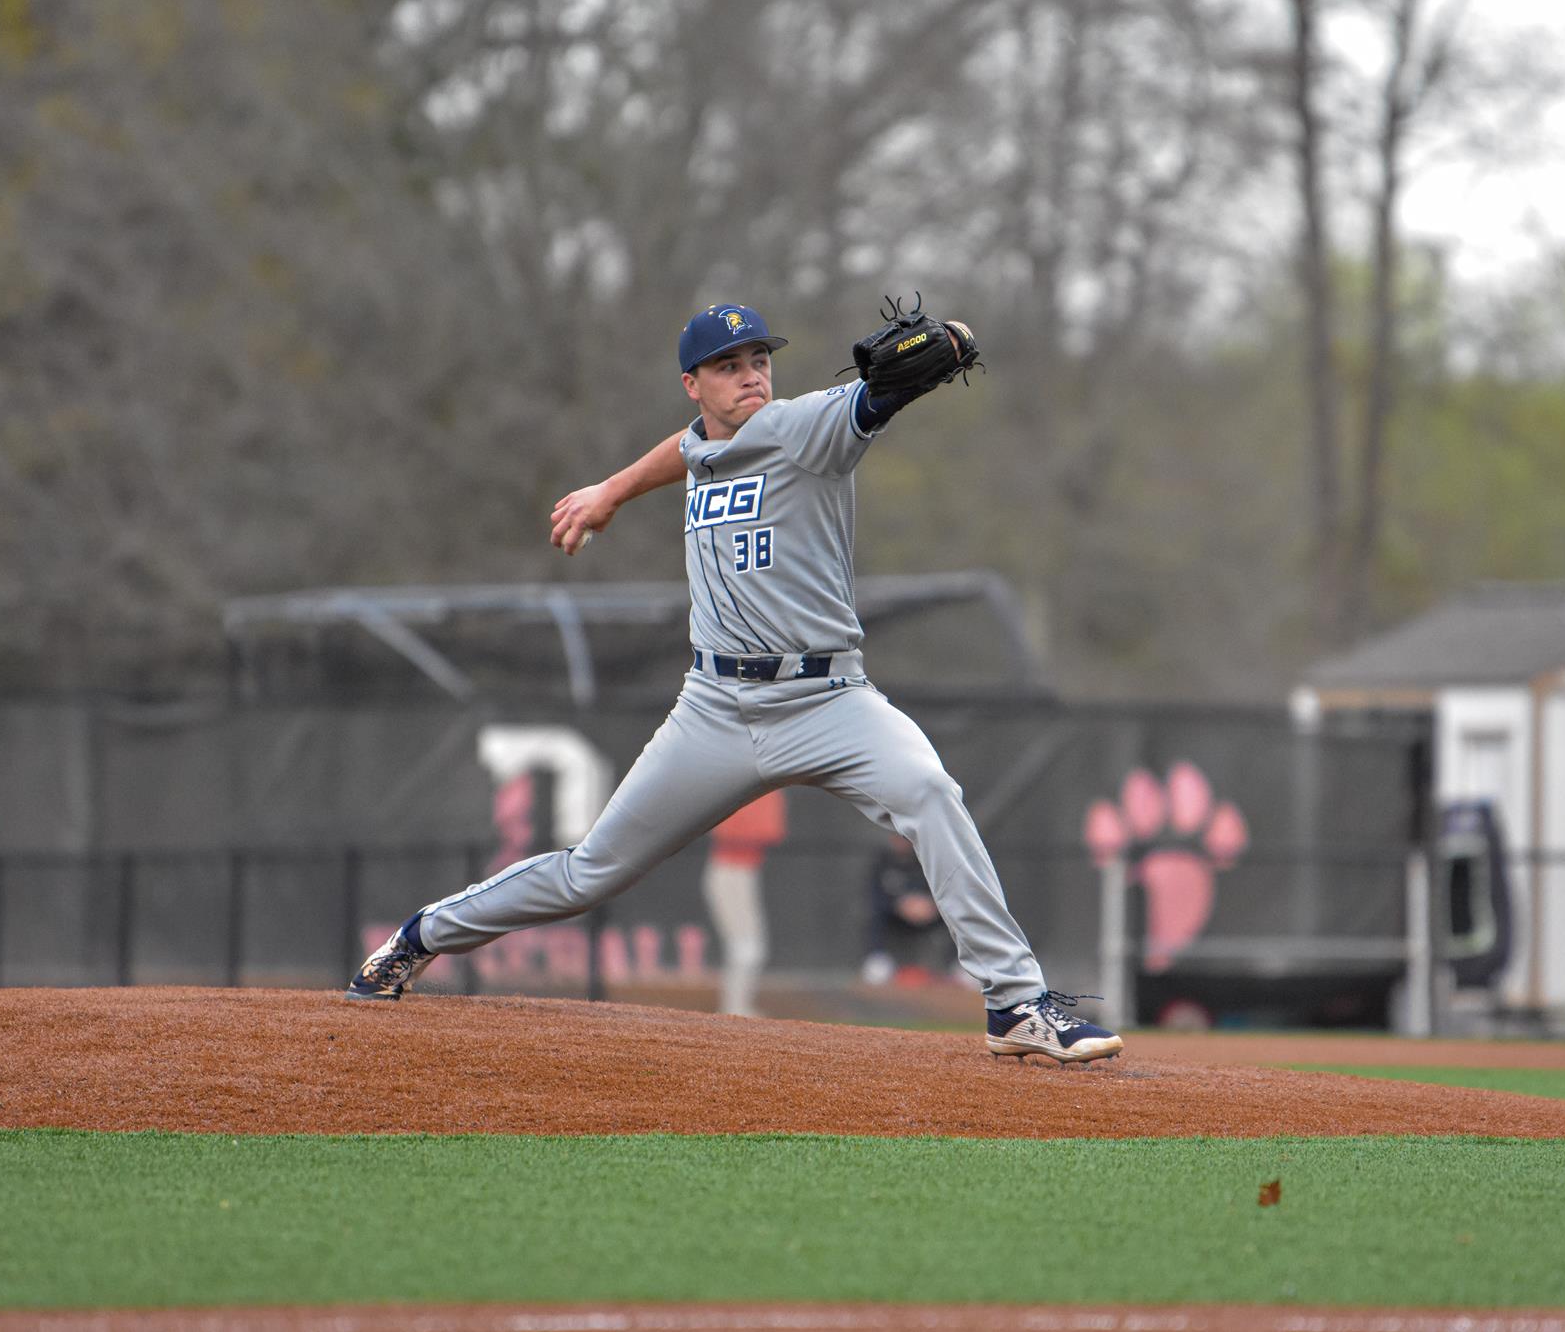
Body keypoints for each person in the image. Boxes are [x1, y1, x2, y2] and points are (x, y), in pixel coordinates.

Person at [347, 300, 1121, 1063]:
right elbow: (686, 451)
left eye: (759, 359)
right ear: (693, 385)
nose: (751, 376)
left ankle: (1014, 1000)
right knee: (591, 871)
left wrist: (945, 346)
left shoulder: (801, 426)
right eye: (729, 366)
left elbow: (877, 394)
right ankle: (419, 936)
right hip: (713, 709)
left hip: (828, 700)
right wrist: (612, 490)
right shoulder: (702, 444)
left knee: (928, 791)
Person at [701, 790, 787, 1017]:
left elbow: (771, 832)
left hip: (745, 873)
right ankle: (734, 1010)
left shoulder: (769, 791)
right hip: (728, 871)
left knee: (751, 948)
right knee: (746, 948)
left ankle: (737, 1008)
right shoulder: (739, 784)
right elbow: (725, 831)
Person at [859, 831, 953, 986]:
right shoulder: (882, 862)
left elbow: (945, 891)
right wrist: (899, 905)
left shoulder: (928, 862)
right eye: (898, 838)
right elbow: (875, 894)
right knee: (875, 915)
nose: (902, 843)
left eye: (907, 839)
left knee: (954, 915)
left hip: (928, 914)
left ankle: (957, 966)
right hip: (895, 915)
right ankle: (878, 962)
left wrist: (930, 905)